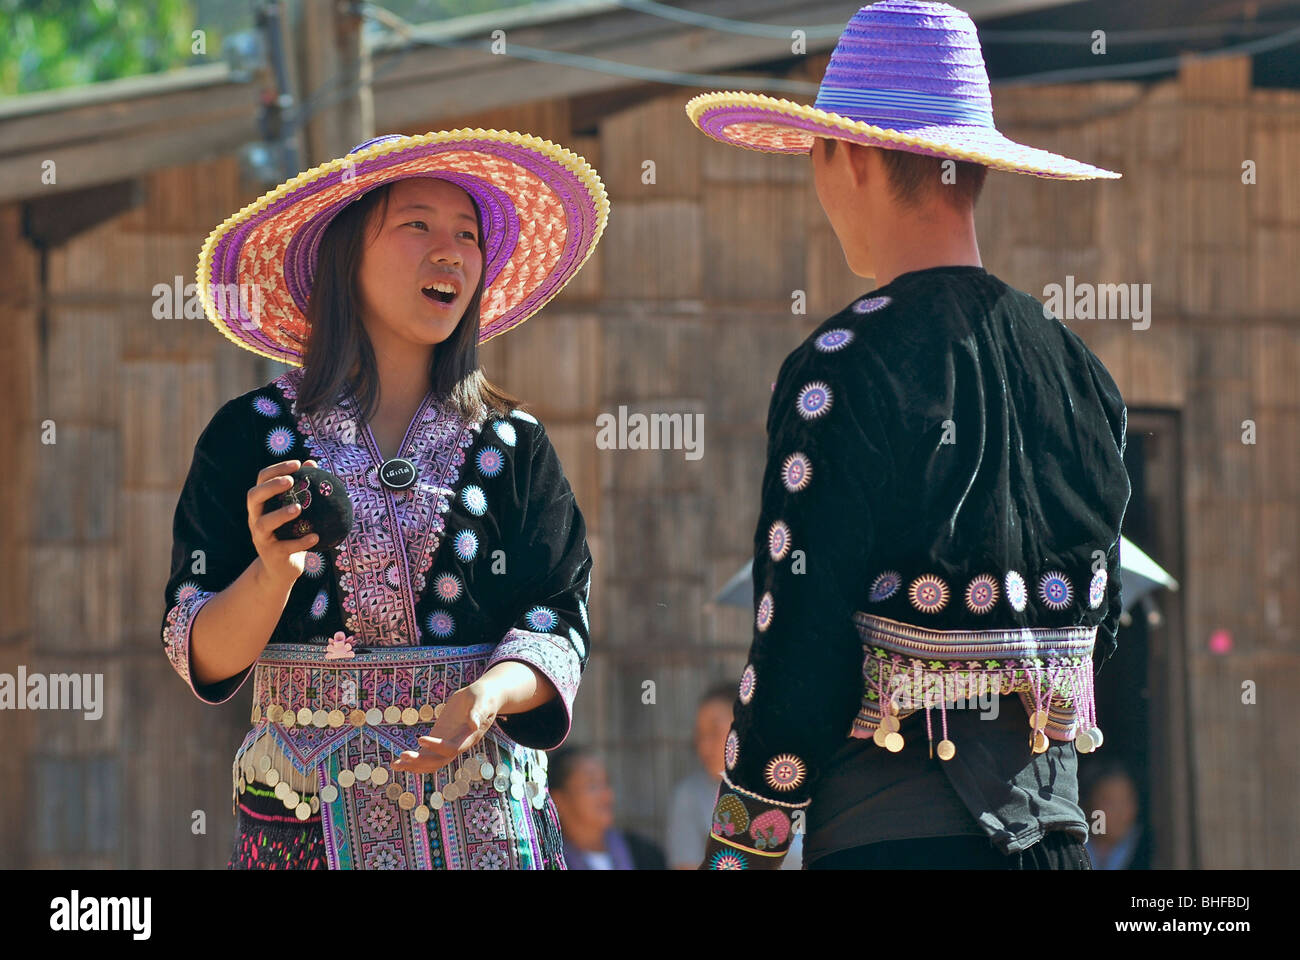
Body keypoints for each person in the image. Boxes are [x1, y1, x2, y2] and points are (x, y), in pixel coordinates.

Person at [686, 1, 1130, 870]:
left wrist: (739, 855)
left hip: (897, 845)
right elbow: (1099, 622)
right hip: (1059, 842)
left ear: (845, 155)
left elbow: (800, 647)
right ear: (976, 168)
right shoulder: (1083, 372)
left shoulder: (842, 367)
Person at [160, 130, 608, 869]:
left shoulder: (515, 446)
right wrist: (273, 571)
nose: (451, 251)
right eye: (417, 225)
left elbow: (559, 613)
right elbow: (200, 650)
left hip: (486, 822)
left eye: (467, 235)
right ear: (346, 255)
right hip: (305, 822)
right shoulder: (247, 437)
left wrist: (491, 693)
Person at [549, 746, 666, 869]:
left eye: (606, 783)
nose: (607, 795)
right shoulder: (546, 862)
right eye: (592, 786)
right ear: (558, 799)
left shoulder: (647, 855)